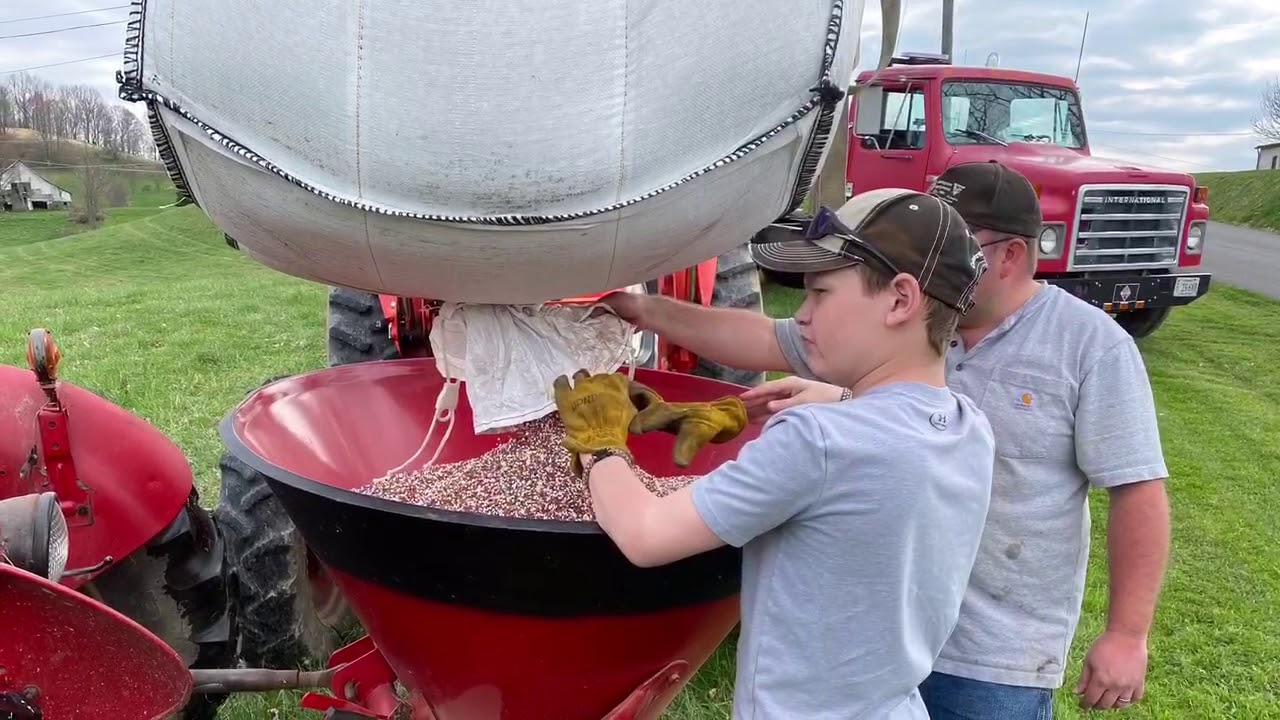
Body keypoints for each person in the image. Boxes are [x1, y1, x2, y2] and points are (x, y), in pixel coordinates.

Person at [605, 162, 1172, 718]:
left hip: (994, 654)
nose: (804, 315)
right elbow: (779, 350)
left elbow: (1138, 490)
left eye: (819, 293)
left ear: (1010, 254)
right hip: (891, 653)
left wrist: (1128, 633)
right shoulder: (936, 376)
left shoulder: (1089, 345)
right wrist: (641, 309)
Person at [552, 187, 996, 719]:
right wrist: (840, 397)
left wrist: (601, 444)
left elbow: (645, 535)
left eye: (821, 294)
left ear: (900, 300)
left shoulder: (818, 441)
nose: (801, 315)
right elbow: (876, 424)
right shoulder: (969, 428)